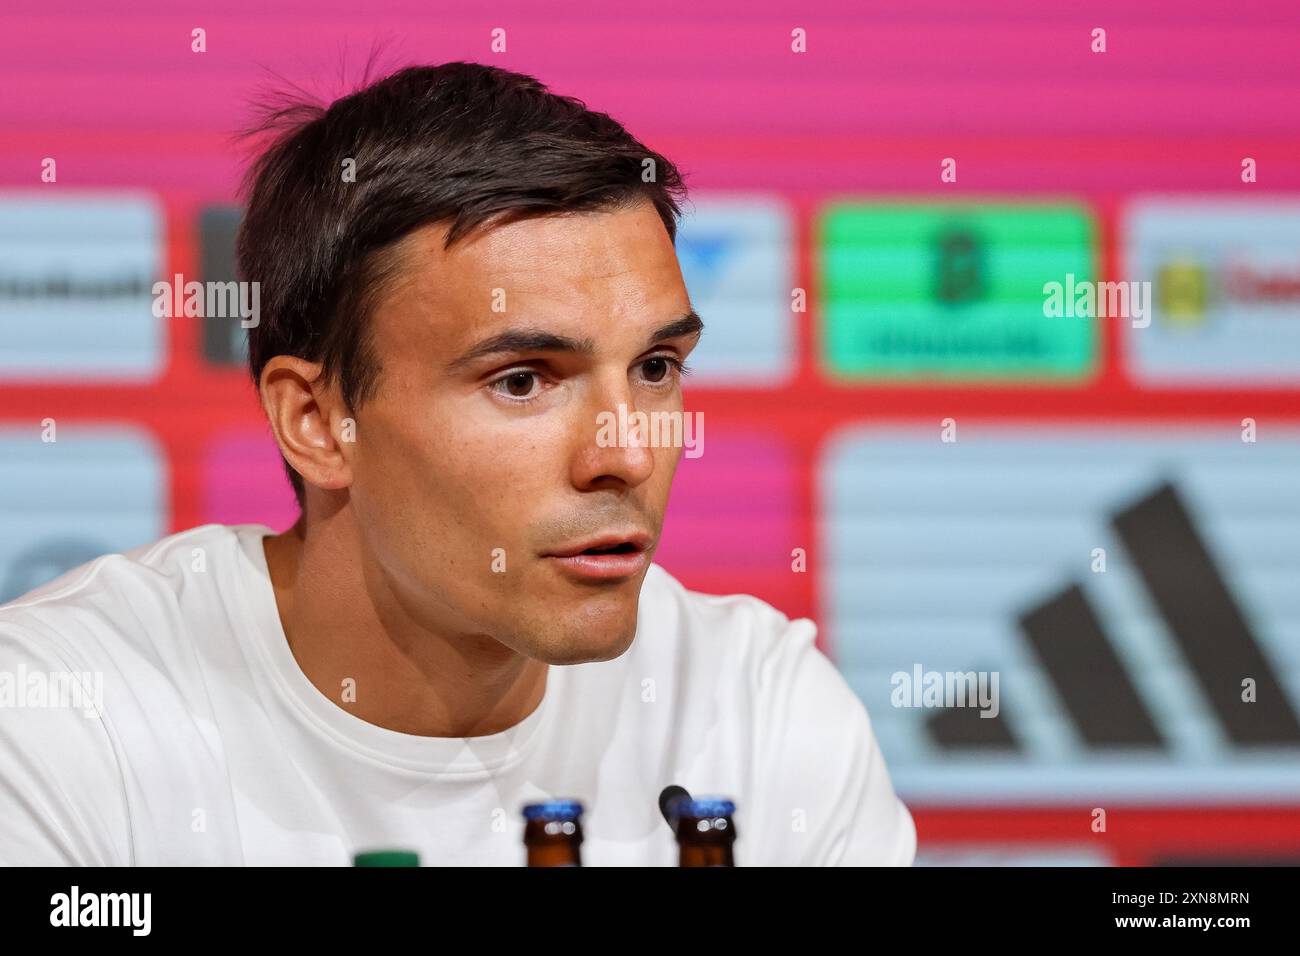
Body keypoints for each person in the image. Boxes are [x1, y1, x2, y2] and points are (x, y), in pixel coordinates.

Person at [0, 61, 914, 866]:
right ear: (318, 422)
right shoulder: (58, 718)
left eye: (655, 368)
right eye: (523, 381)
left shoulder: (755, 706)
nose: (629, 452)